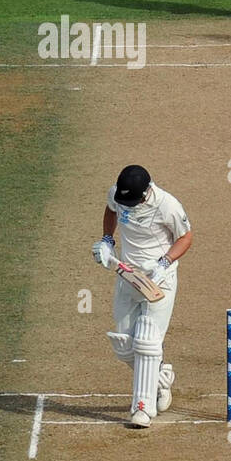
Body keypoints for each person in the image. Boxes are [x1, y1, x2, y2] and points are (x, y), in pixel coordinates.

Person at [91, 166, 193, 429]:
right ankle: (161, 378)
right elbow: (111, 209)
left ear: (147, 192)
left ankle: (142, 408)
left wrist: (164, 262)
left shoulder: (167, 205)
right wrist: (106, 240)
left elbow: (186, 238)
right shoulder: (117, 194)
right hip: (128, 276)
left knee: (147, 342)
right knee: (125, 345)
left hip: (159, 280)